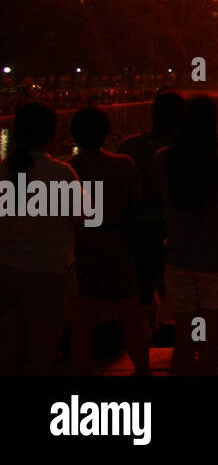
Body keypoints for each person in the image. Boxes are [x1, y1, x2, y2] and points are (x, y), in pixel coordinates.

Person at [154, 96, 218, 375]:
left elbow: (161, 201)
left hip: (178, 258)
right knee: (210, 344)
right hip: (216, 262)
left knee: (184, 341)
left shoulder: (163, 161)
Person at [68, 107, 151, 375]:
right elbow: (136, 206)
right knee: (131, 315)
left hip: (82, 245)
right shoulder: (123, 164)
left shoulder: (68, 169)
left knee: (82, 319)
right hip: (116, 244)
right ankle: (142, 370)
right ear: (106, 133)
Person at [0, 103, 80, 374]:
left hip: (6, 270)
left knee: (9, 351)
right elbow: (84, 218)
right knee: (41, 355)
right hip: (50, 272)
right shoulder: (61, 173)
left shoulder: (3, 170)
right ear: (52, 133)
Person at [120, 90, 185, 314]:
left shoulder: (130, 147)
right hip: (179, 229)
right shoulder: (190, 151)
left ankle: (147, 328)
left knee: (143, 289)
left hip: (140, 229)